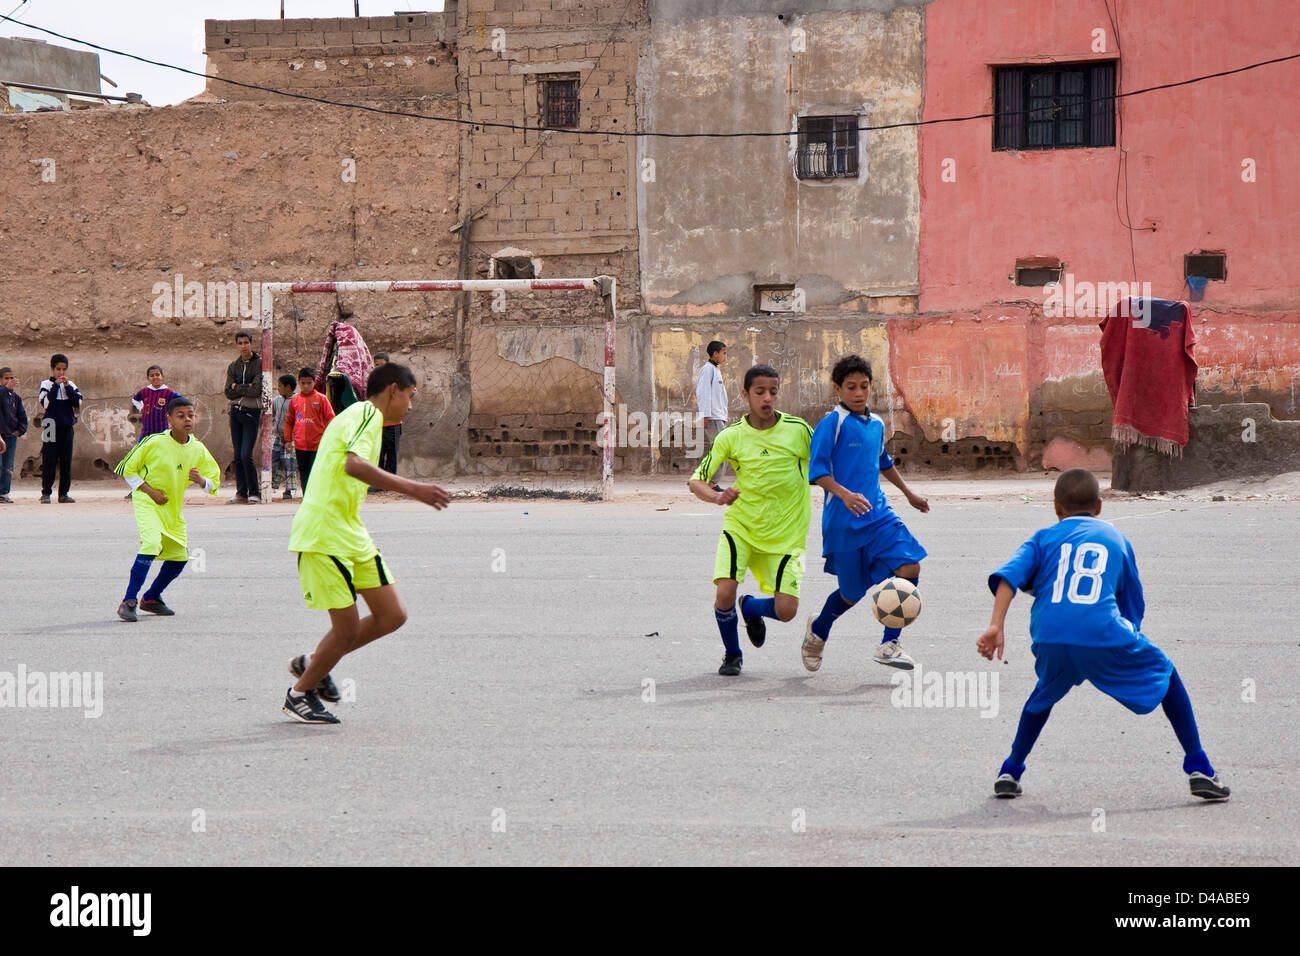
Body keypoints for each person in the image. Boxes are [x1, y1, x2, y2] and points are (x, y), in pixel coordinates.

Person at [977, 468, 1229, 801]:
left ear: (1056, 507)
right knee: (1165, 672)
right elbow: (1132, 606)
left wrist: (996, 624)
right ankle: (1200, 767)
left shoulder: (1042, 538)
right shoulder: (1116, 539)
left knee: (1043, 695)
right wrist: (1121, 648)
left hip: (1049, 635)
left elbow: (1009, 577)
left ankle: (1010, 770)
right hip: (1101, 631)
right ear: (1099, 506)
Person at [283, 362, 450, 724]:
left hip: (350, 531)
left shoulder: (369, 420)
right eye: (410, 396)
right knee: (346, 629)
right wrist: (413, 489)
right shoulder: (364, 413)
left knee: (393, 615)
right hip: (323, 533)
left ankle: (313, 662)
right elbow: (353, 465)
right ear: (393, 389)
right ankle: (299, 694)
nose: (410, 405)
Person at [802, 355, 930, 672]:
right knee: (850, 593)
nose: (859, 393)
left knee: (910, 567)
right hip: (843, 523)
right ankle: (818, 631)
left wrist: (909, 493)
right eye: (851, 387)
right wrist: (844, 494)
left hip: (879, 515)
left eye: (864, 386)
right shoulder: (831, 424)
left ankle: (890, 644)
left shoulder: (875, 424)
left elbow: (883, 462)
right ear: (838, 389)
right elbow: (816, 472)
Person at [687, 364, 813, 677]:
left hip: (786, 534)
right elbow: (696, 481)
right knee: (724, 593)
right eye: (759, 392)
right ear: (745, 395)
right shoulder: (730, 437)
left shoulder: (799, 430)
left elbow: (829, 464)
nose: (767, 398)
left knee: (787, 612)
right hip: (741, 528)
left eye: (773, 391)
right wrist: (716, 497)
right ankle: (732, 654)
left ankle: (753, 607)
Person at [113, 397, 220, 622]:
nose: (187, 419)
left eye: (190, 415)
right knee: (151, 544)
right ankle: (128, 601)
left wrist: (201, 480)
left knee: (180, 557)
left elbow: (214, 482)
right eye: (180, 416)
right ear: (169, 419)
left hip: (172, 508)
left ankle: (151, 598)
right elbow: (127, 469)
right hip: (147, 500)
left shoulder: (198, 448)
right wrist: (151, 492)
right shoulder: (153, 442)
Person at [126, 365, 184, 498]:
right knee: (139, 459)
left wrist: (173, 413)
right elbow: (134, 399)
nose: (155, 377)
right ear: (148, 378)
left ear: (162, 377)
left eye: (157, 374)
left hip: (162, 433)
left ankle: (163, 487)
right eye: (152, 375)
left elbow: (181, 401)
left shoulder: (168, 393)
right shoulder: (145, 392)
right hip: (146, 432)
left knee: (162, 460)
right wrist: (141, 407)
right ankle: (138, 488)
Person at [224, 331, 263, 504]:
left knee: (246, 454)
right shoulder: (234, 366)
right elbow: (228, 392)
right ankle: (241, 493)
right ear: (236, 345)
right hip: (235, 413)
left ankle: (255, 491)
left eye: (246, 342)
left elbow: (256, 390)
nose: (243, 346)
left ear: (251, 343)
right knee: (238, 455)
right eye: (240, 343)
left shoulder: (260, 363)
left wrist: (237, 386)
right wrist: (245, 386)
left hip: (251, 413)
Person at [38, 353, 82, 504]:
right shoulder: (46, 384)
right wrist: (56, 386)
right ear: (52, 369)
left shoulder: (71, 385)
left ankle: (63, 494)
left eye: (64, 369)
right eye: (58, 369)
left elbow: (77, 403)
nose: (61, 373)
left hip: (67, 426)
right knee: (49, 459)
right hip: (50, 425)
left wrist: (67, 387)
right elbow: (46, 404)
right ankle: (46, 493)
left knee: (66, 461)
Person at [285, 368, 335, 492]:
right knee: (303, 472)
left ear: (314, 383)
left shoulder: (321, 399)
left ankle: (317, 495)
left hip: (318, 444)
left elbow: (331, 418)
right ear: (299, 383)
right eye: (303, 383)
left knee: (316, 472)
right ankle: (306, 496)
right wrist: (287, 440)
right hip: (300, 445)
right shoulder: (295, 401)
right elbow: (289, 422)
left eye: (309, 383)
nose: (306, 386)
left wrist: (331, 438)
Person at [694, 340, 729, 489]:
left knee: (719, 450)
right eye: (724, 353)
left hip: (719, 416)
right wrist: (705, 415)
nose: (725, 356)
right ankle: (710, 482)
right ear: (715, 354)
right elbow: (703, 393)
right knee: (721, 450)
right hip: (713, 416)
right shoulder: (708, 369)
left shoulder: (715, 370)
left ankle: (704, 479)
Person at [372, 353, 402, 481]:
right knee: (377, 454)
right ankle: (378, 483)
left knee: (391, 455)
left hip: (393, 424)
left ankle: (390, 483)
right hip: (378, 425)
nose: (379, 367)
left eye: (382, 365)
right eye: (376, 365)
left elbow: (412, 392)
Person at [0, 366, 28, 503]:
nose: (10, 381)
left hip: (10, 437)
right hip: (0, 436)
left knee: (8, 466)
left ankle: (4, 493)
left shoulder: (16, 398)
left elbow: (22, 417)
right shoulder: (1, 393)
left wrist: (20, 430)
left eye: (12, 378)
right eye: (6, 378)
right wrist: (5, 389)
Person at [272, 374, 299, 500]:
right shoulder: (276, 400)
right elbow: (271, 413)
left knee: (290, 463)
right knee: (274, 461)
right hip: (277, 437)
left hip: (292, 438)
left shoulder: (296, 401)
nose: (278, 388)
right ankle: (271, 486)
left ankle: (288, 490)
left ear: (288, 387)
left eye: (280, 386)